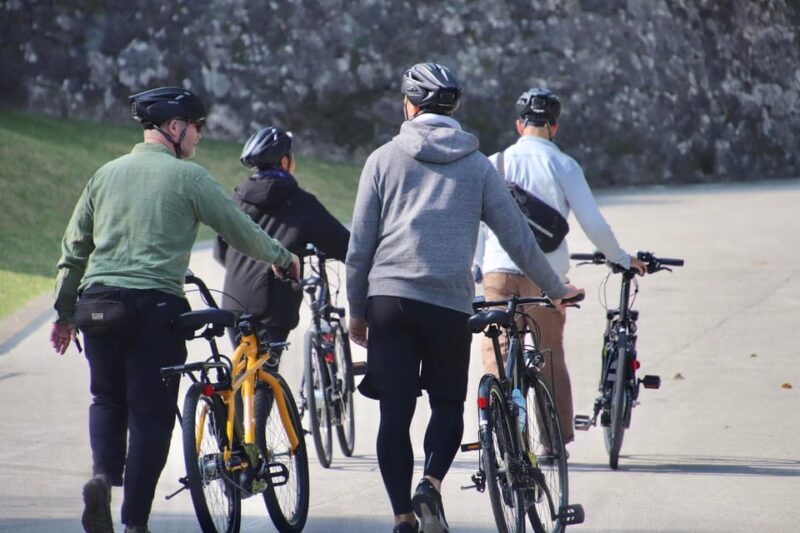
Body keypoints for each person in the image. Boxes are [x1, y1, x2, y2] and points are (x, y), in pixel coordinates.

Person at [345, 64, 583, 533]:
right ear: (453, 109)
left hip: (389, 301)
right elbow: (517, 238)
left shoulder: (383, 159)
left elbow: (360, 249)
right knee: (448, 405)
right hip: (448, 306)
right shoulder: (476, 166)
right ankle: (430, 484)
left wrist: (356, 312)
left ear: (409, 106)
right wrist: (557, 290)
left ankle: (402, 516)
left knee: (394, 414)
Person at [50, 86, 299, 533]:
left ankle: (103, 479)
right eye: (197, 128)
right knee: (152, 416)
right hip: (154, 308)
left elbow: (73, 250)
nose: (200, 137)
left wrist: (65, 314)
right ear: (174, 127)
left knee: (106, 398)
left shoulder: (104, 174)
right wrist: (283, 258)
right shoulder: (191, 179)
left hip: (98, 305)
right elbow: (240, 229)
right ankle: (134, 523)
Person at [475, 87, 645, 453]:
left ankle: (504, 438)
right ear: (554, 127)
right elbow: (592, 223)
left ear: (520, 125)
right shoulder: (564, 165)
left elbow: (477, 222)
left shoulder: (493, 163)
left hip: (498, 273)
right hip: (547, 279)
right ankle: (553, 444)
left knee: (498, 354)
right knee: (549, 353)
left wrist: (478, 266)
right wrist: (618, 256)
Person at [214, 126, 349, 353]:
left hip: (233, 302)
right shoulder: (301, 202)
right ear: (285, 162)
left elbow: (220, 251)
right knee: (267, 376)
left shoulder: (237, 199)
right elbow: (343, 245)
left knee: (244, 377)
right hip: (273, 307)